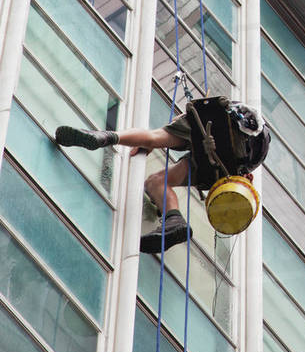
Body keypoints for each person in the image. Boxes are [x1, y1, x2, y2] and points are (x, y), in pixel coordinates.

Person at [55, 97, 270, 253]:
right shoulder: (250, 151)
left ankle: (107, 137)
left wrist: (150, 143)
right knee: (157, 181)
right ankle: (174, 220)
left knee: (152, 137)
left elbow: (157, 136)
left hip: (212, 132)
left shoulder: (208, 121)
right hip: (220, 164)